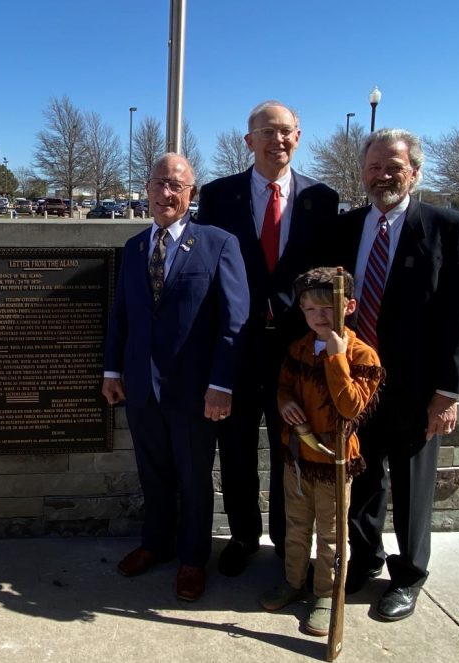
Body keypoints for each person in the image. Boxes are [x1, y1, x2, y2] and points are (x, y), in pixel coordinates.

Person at [337, 128, 459, 621]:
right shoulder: (346, 227)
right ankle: (363, 560)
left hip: (417, 389)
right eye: (374, 168)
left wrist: (447, 393)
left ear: (414, 172)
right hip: (357, 384)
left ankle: (409, 575)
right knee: (363, 478)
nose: (383, 176)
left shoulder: (447, 227)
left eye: (393, 167)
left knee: (412, 487)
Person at [197, 100, 340, 576]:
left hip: (295, 352)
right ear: (249, 141)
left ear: (298, 138)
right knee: (236, 447)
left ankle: (285, 540)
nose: (277, 140)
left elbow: (328, 272)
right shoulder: (218, 196)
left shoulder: (322, 198)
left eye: (286, 132)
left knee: (290, 448)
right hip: (237, 347)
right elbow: (209, 269)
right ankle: (242, 536)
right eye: (267, 132)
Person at [103, 153, 249, 602]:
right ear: (147, 189)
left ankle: (192, 559)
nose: (166, 194)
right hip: (141, 387)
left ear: (192, 193)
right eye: (158, 184)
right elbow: (121, 315)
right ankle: (156, 543)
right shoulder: (134, 248)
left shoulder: (218, 244)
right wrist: (112, 370)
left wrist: (221, 385)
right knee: (153, 473)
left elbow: (234, 321)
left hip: (195, 391)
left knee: (194, 478)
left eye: (176, 186)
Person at [260, 268, 383, 636]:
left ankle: (326, 593)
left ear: (349, 306)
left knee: (331, 534)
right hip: (298, 457)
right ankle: (293, 580)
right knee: (296, 526)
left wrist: (336, 358)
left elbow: (350, 406)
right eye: (310, 309)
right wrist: (284, 402)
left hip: (333, 461)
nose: (319, 316)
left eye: (327, 308)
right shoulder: (298, 348)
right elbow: (283, 386)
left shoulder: (362, 355)